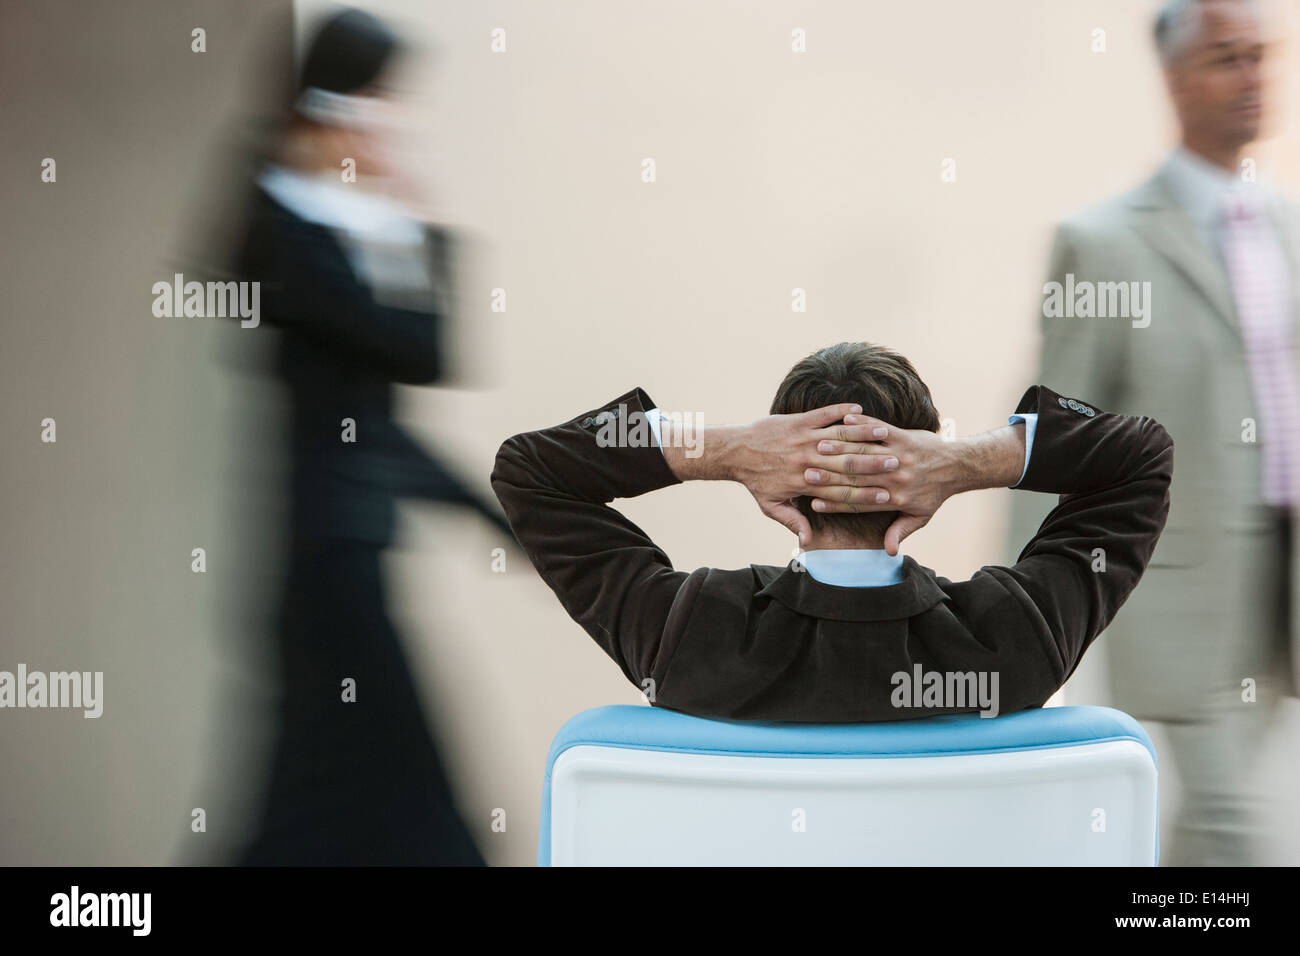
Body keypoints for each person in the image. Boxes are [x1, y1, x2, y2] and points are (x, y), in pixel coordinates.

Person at [491, 341, 1172, 723]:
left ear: (779, 476)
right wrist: (967, 461)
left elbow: (531, 470)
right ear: (924, 464)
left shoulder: (688, 636)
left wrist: (724, 449)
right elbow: (1141, 458)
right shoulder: (1019, 641)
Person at [1008, 0, 1299, 864]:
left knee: (1210, 833)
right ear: (1174, 78)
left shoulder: (1289, 230)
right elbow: (1050, 434)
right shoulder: (1101, 245)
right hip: (1174, 595)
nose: (1252, 78)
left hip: (1278, 585)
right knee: (1235, 826)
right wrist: (1021, 615)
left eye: (1261, 56)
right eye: (1225, 59)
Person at [231, 7, 502, 865]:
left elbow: (386, 422)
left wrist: (499, 516)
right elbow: (416, 351)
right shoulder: (283, 235)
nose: (391, 123)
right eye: (376, 98)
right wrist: (410, 228)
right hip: (323, 571)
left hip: (347, 564)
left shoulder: (331, 232)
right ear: (329, 105)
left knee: (310, 811)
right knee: (407, 804)